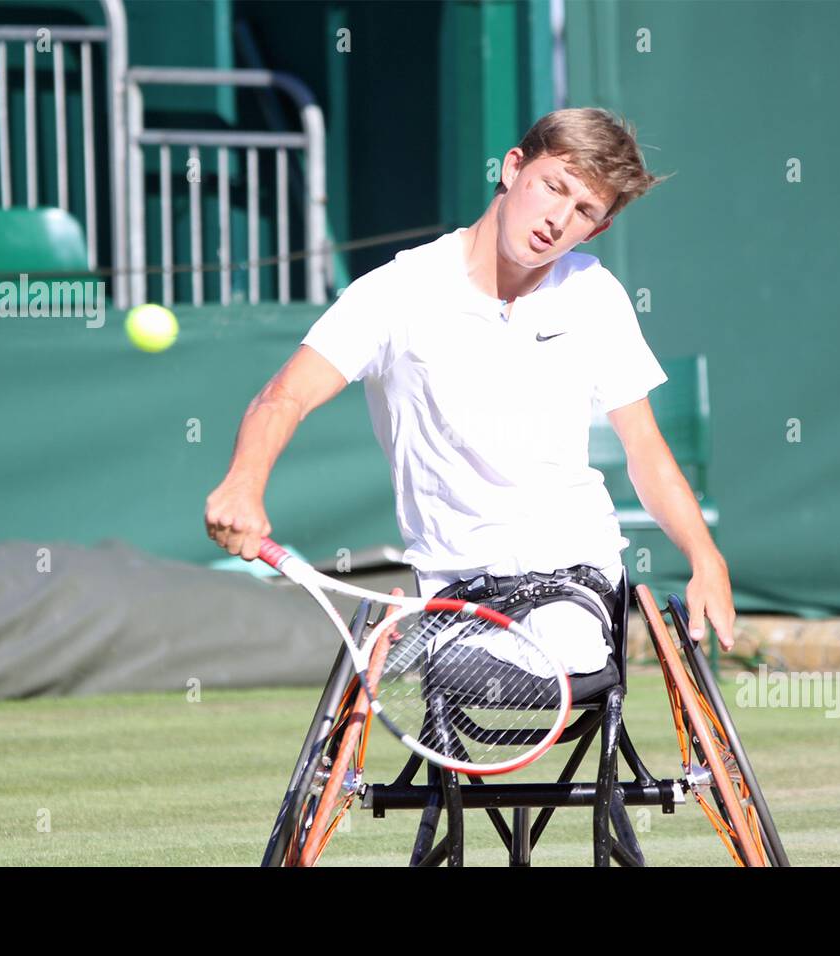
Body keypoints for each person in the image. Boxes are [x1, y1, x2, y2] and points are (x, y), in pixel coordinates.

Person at [205, 108, 736, 673]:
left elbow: (645, 449)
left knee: (564, 658)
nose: (558, 218)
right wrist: (243, 484)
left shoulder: (593, 294)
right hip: (454, 586)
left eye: (584, 210)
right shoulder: (396, 291)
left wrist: (706, 558)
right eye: (552, 187)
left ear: (598, 229)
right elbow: (285, 396)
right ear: (513, 168)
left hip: (579, 576)